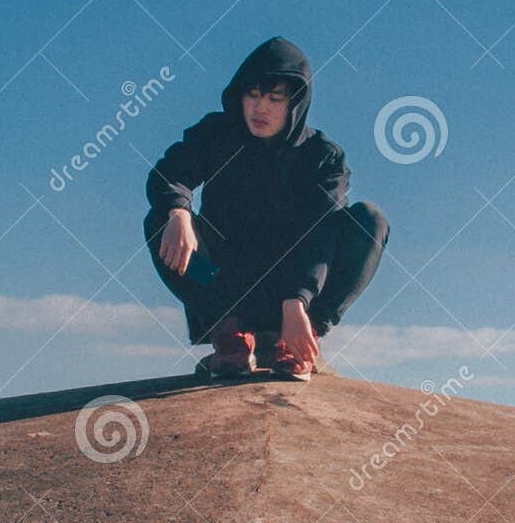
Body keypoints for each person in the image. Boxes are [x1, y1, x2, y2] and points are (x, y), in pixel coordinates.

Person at [144, 37, 389, 382]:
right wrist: (178, 211)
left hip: (296, 286)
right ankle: (230, 338)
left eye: (275, 99)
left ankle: (299, 342)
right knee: (160, 219)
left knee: (369, 220)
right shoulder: (217, 133)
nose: (261, 108)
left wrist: (298, 300)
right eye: (253, 96)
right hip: (224, 284)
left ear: (295, 103)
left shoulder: (323, 157)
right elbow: (168, 174)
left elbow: (320, 236)